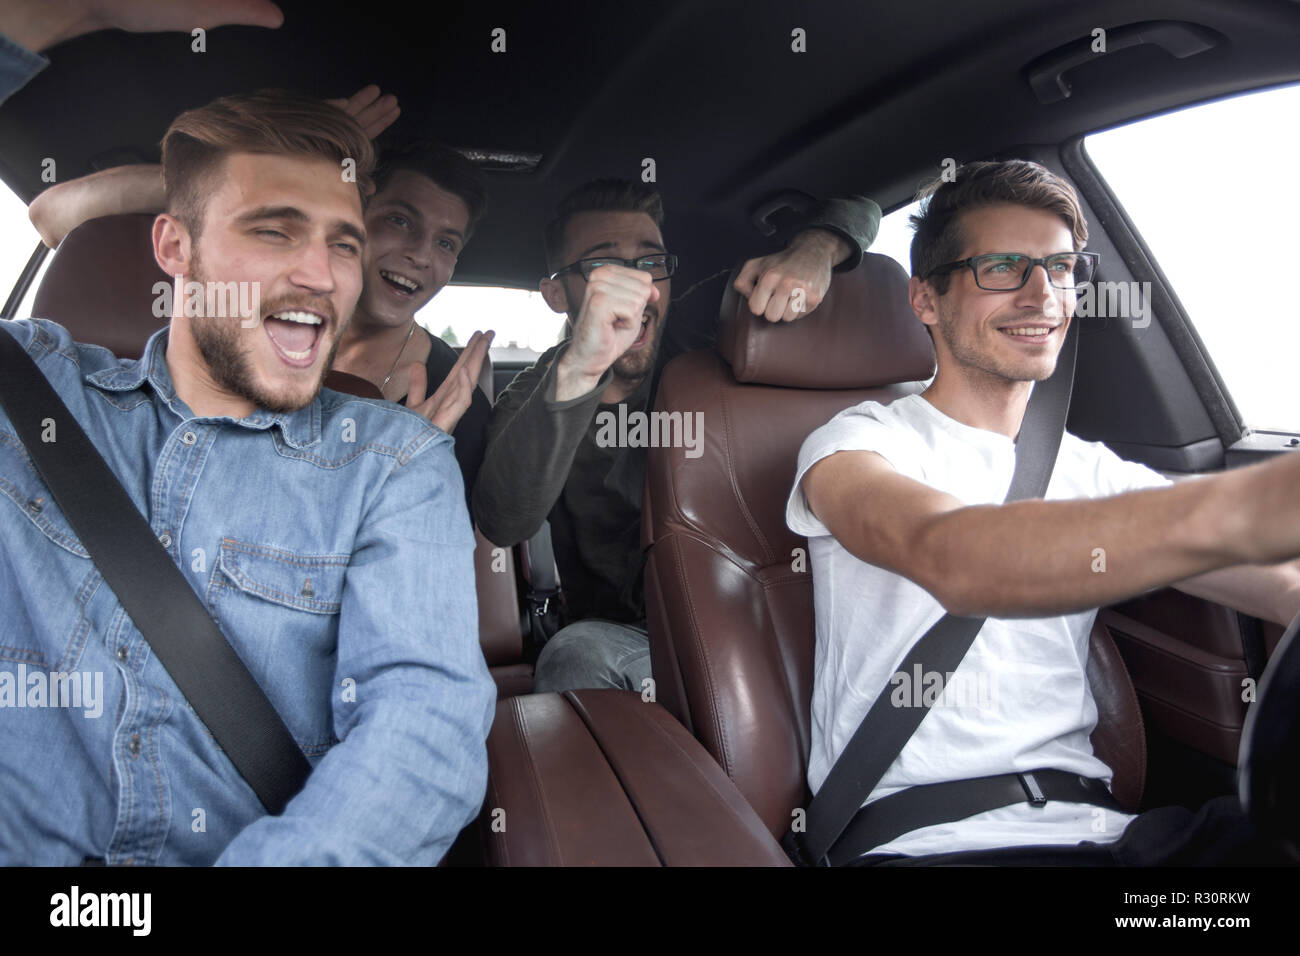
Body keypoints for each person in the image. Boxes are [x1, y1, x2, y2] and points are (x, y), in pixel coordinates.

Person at [0, 9, 495, 864]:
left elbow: (424, 725)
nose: (321, 272)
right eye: (273, 229)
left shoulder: (392, 463)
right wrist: (75, 12)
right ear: (174, 246)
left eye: (344, 240)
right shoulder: (30, 392)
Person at [785, 158, 1300, 865]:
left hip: (1116, 836)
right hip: (936, 844)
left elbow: (1280, 586)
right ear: (926, 299)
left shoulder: (1091, 469)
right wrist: (1253, 504)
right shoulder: (859, 443)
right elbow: (956, 557)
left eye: (1060, 269)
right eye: (1002, 267)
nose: (1041, 295)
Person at [473, 177, 881, 694]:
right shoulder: (536, 393)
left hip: (748, 619)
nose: (638, 288)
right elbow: (504, 521)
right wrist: (584, 365)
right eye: (604, 266)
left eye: (651, 264)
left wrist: (815, 248)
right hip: (623, 637)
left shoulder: (692, 331)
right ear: (557, 293)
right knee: (574, 656)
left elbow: (859, 205)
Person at [27, 95, 495, 504]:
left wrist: (408, 473)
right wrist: (250, 172)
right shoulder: (213, 310)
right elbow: (50, 215)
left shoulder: (454, 401)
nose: (419, 255)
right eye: (400, 221)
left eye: (447, 243)